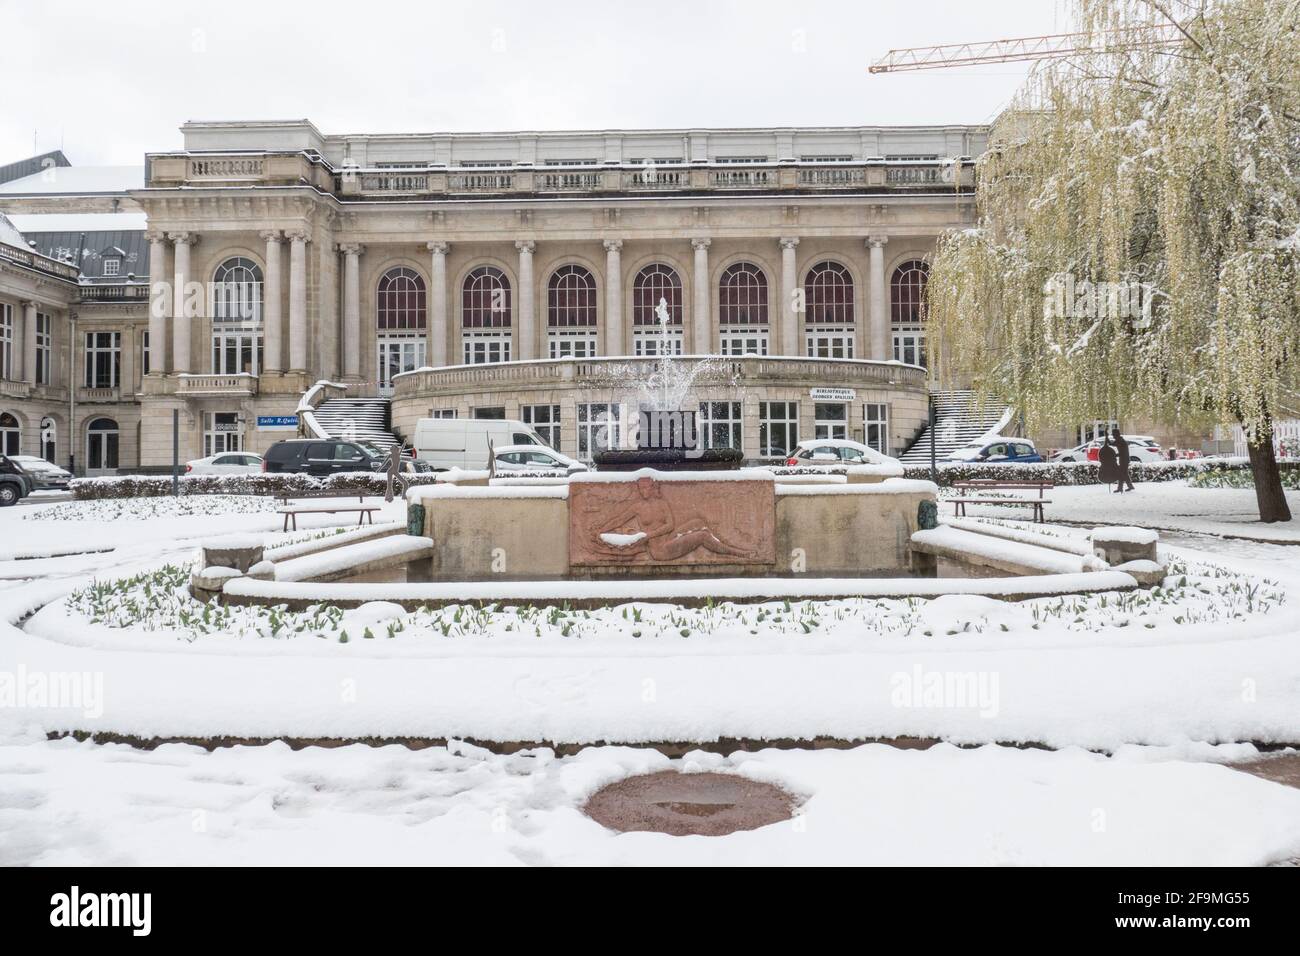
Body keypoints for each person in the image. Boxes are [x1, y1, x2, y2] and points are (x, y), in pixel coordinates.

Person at [1112, 427, 1135, 492]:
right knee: (1123, 474)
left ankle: (1121, 488)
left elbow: (1122, 452)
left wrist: (1115, 455)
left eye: (1113, 435)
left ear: (1116, 434)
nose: (1113, 436)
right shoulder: (1119, 439)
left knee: (1122, 473)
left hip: (1124, 460)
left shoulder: (1120, 440)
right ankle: (1128, 486)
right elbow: (1113, 443)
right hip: (1124, 460)